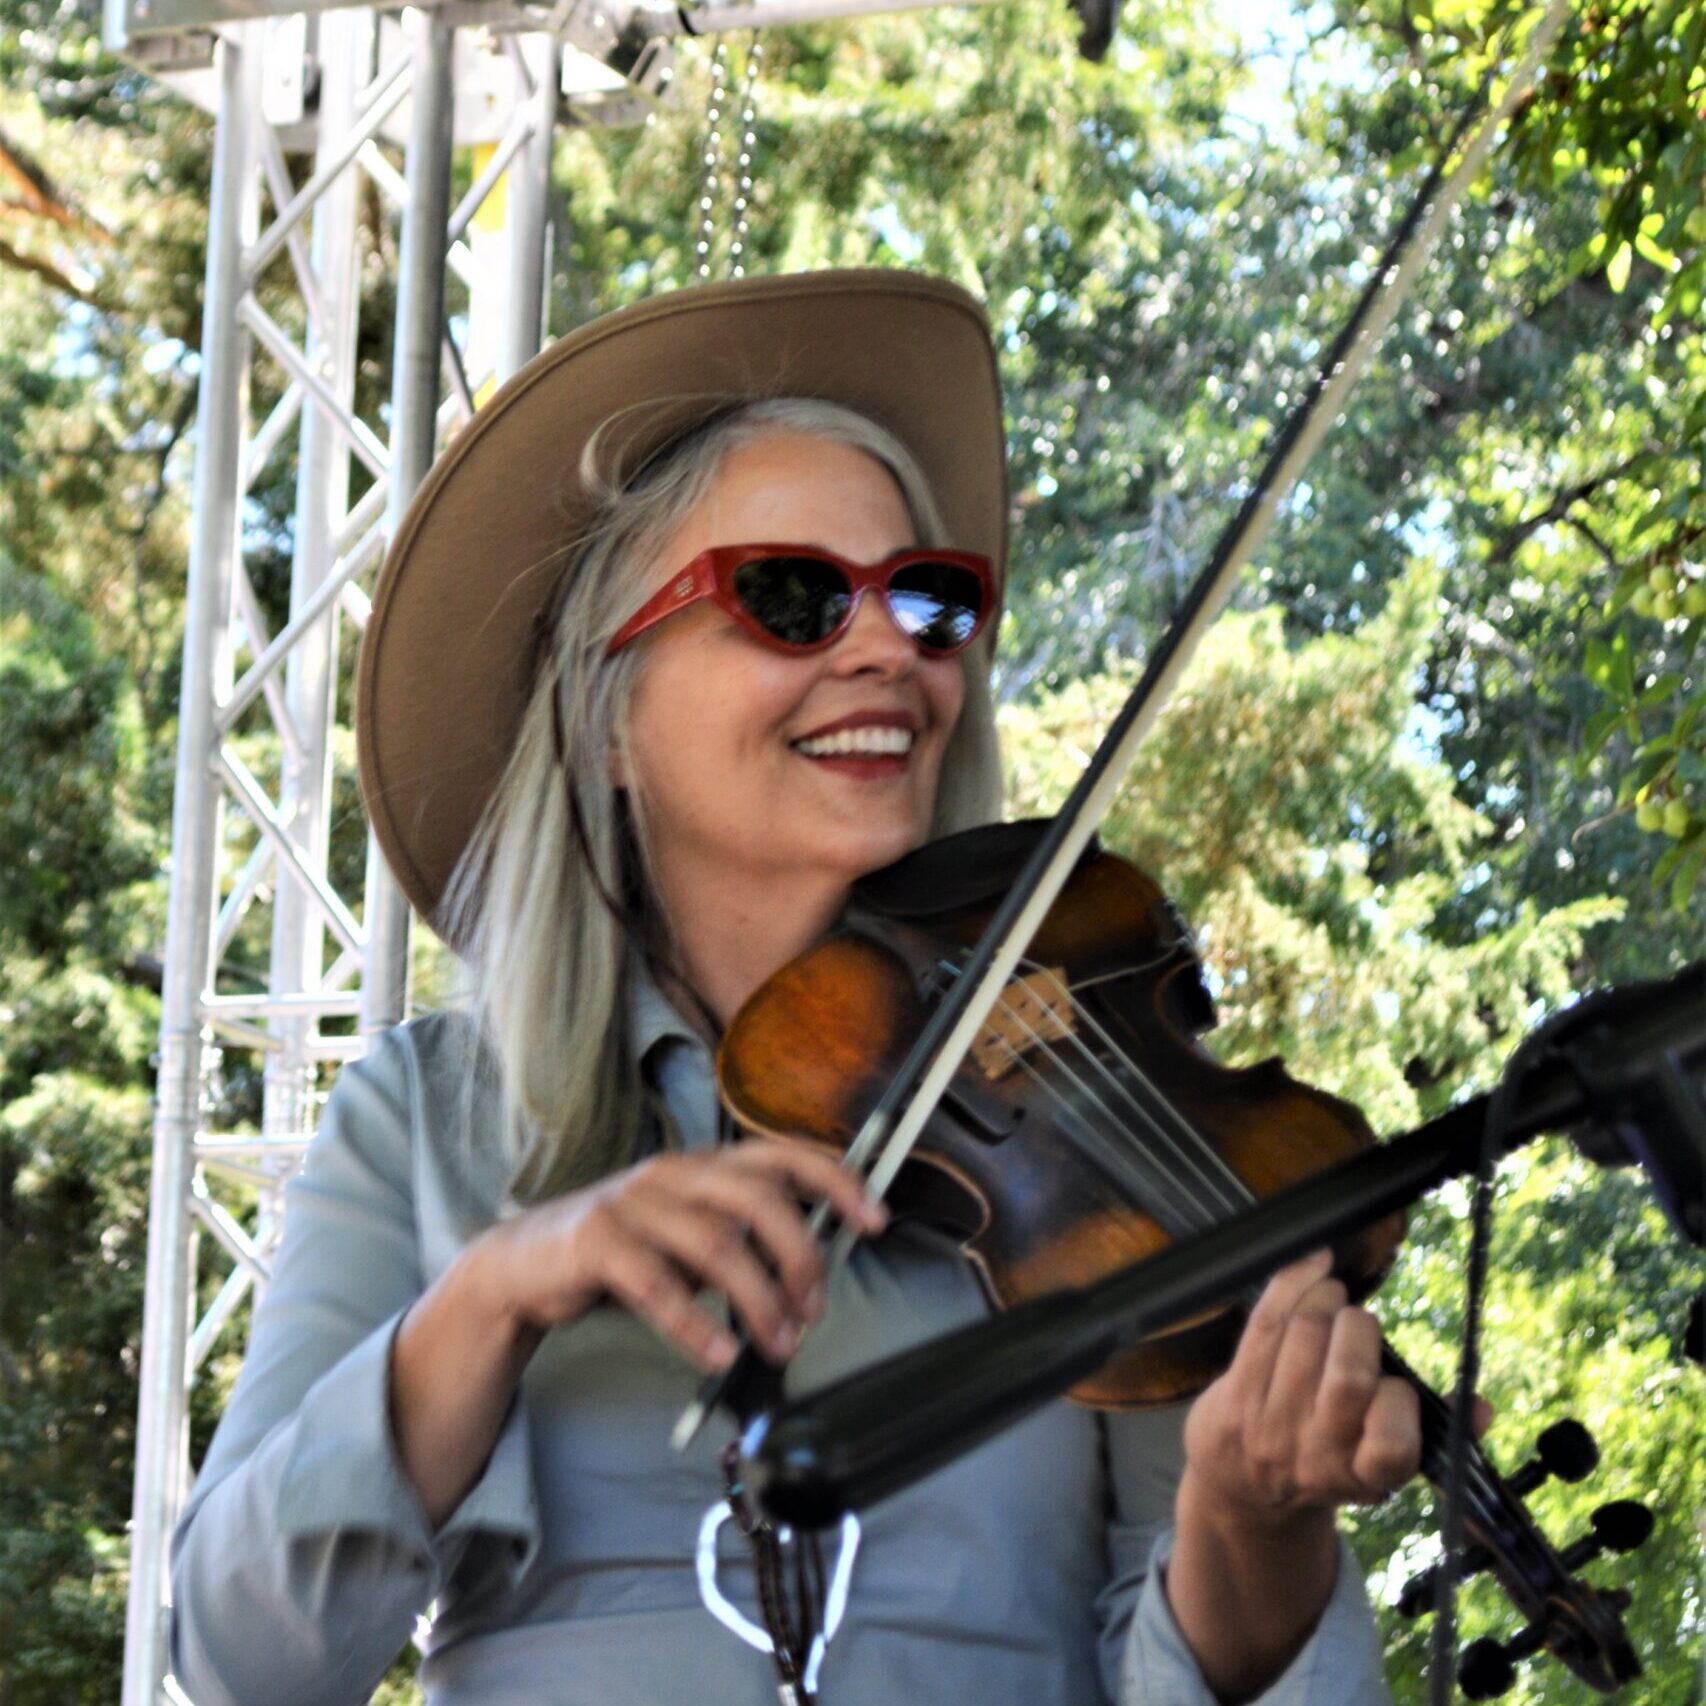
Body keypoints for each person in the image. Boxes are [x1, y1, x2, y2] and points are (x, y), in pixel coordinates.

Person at [169, 271, 1417, 1706]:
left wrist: (1248, 1522)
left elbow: (1220, 1652)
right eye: (792, 596)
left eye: (928, 601)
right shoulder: (432, 1116)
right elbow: (238, 1655)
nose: (887, 648)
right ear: (609, 710)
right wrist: (496, 1293)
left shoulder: (1097, 1122)